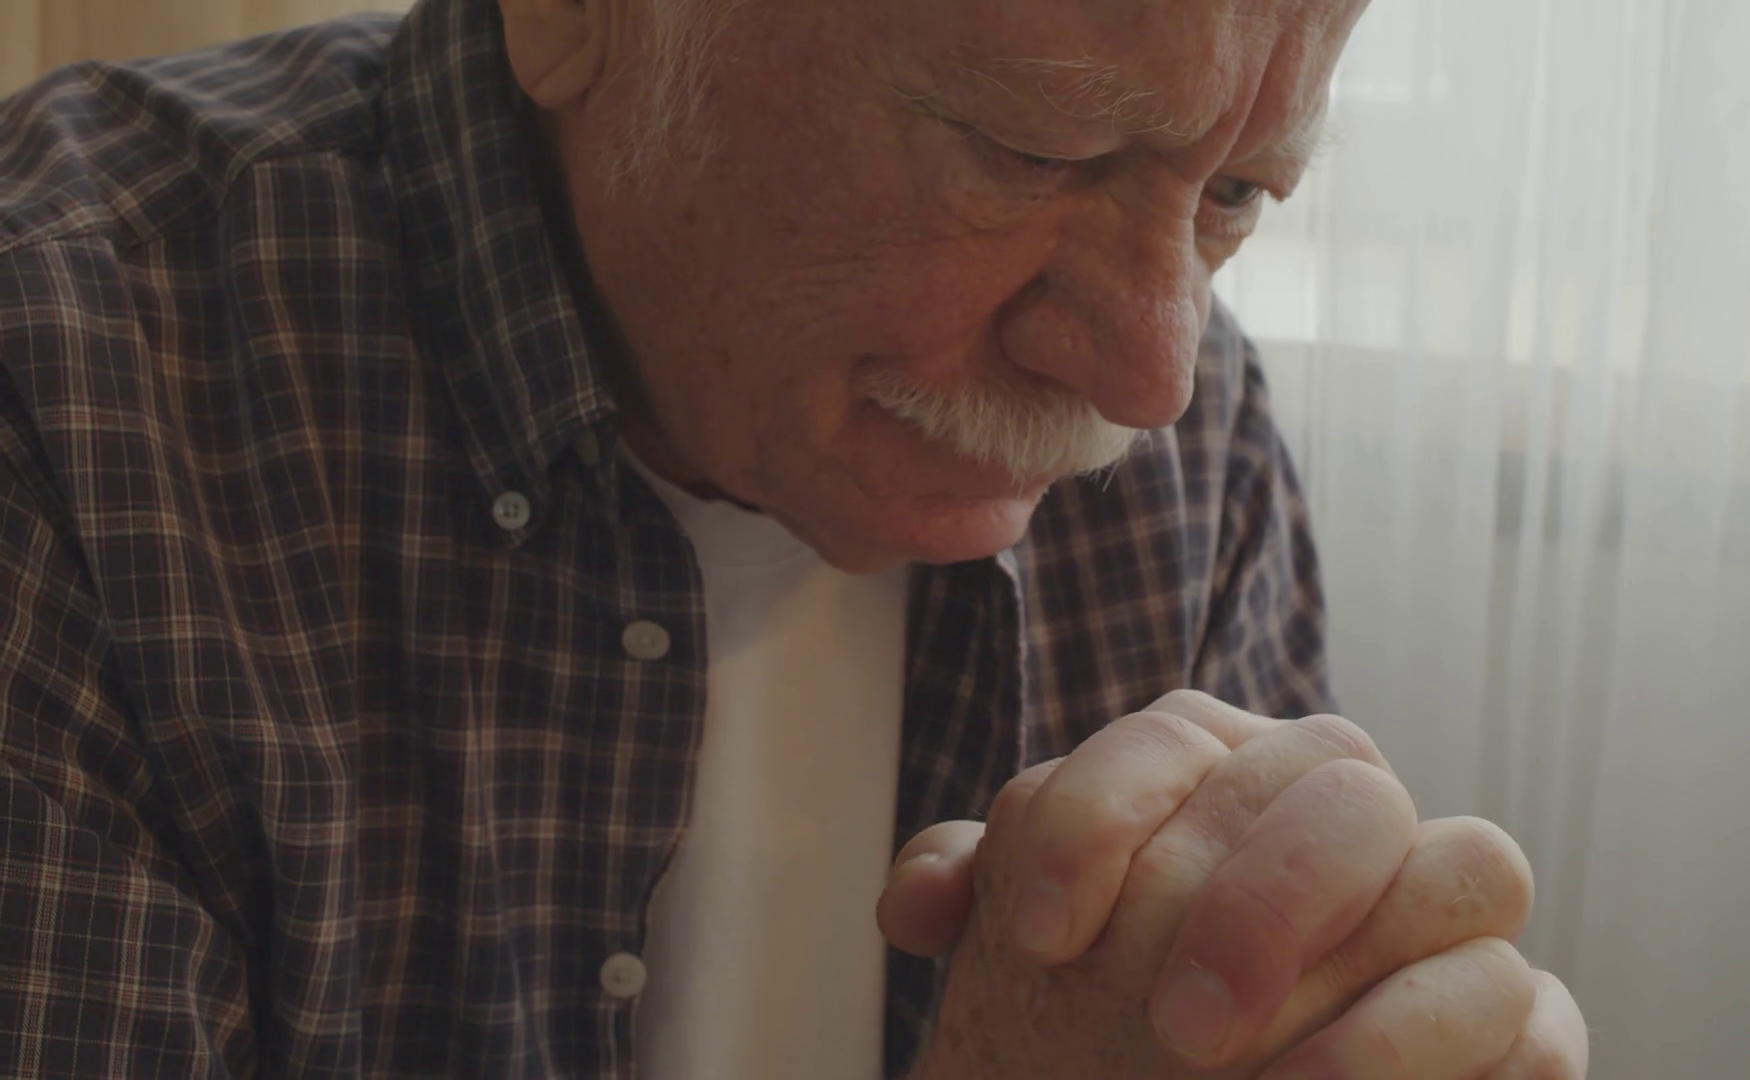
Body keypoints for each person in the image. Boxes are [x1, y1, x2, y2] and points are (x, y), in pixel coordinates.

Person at [0, 0, 1589, 1075]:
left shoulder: (1200, 445)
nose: (1151, 373)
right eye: (1031, 150)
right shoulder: (65, 386)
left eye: (1238, 192)